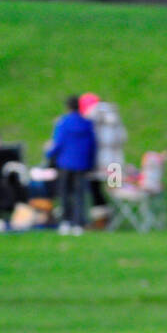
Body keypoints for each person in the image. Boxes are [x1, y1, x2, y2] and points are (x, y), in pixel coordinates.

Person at [45, 95, 97, 235]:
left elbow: (58, 143)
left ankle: (66, 221)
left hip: (65, 163)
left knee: (64, 193)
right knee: (79, 193)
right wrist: (91, 162)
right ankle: (79, 222)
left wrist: (48, 156)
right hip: (84, 163)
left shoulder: (63, 123)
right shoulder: (87, 124)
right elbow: (92, 145)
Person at [79, 92, 128, 227]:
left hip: (97, 163)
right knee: (115, 191)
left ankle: (101, 221)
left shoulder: (91, 115)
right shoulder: (115, 115)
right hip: (116, 163)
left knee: (94, 187)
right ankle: (115, 220)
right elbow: (123, 137)